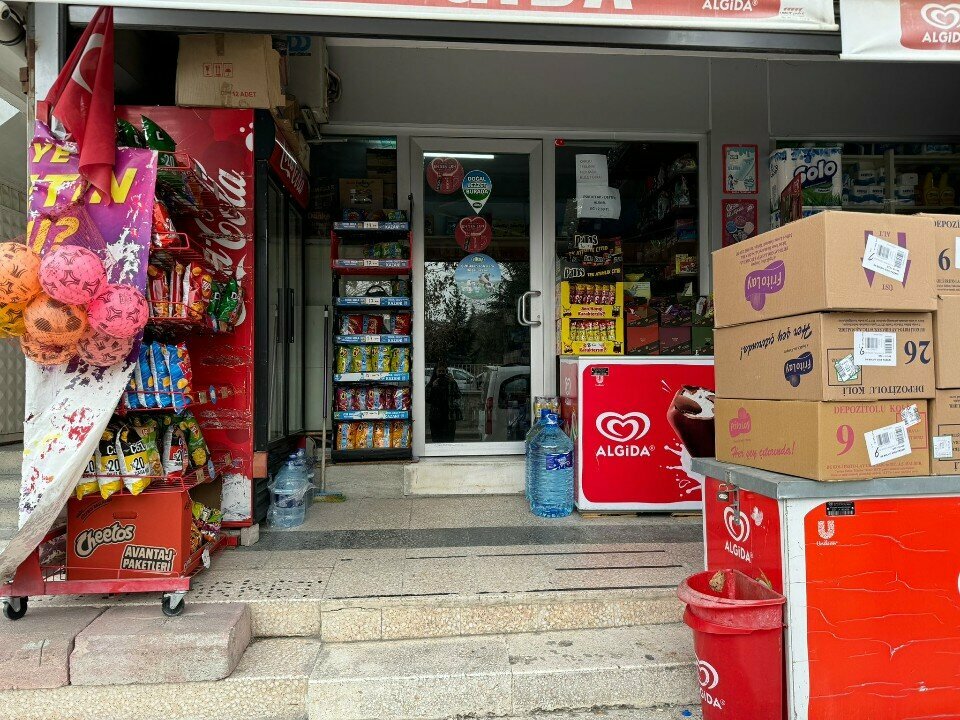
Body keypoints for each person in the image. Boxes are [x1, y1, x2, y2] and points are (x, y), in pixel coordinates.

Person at [426, 361, 461, 443]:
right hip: (435, 417)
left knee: (449, 441)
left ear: (446, 372)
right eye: (439, 371)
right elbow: (427, 399)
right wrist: (433, 388)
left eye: (443, 371)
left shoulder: (450, 382)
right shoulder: (432, 383)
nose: (441, 373)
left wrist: (453, 382)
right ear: (436, 372)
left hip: (449, 417)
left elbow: (458, 395)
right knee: (437, 441)